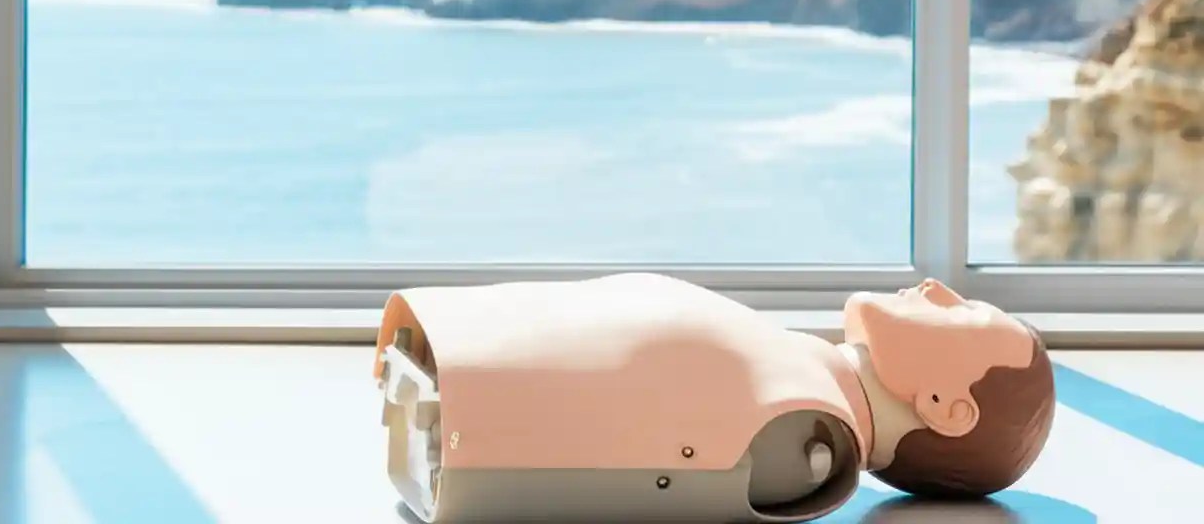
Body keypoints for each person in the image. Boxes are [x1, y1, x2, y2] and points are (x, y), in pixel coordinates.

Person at [373, 273, 1055, 523]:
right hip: (458, 360)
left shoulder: (804, 441)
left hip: (464, 406)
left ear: (945, 405)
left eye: (964, 314)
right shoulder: (796, 375)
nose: (938, 287)